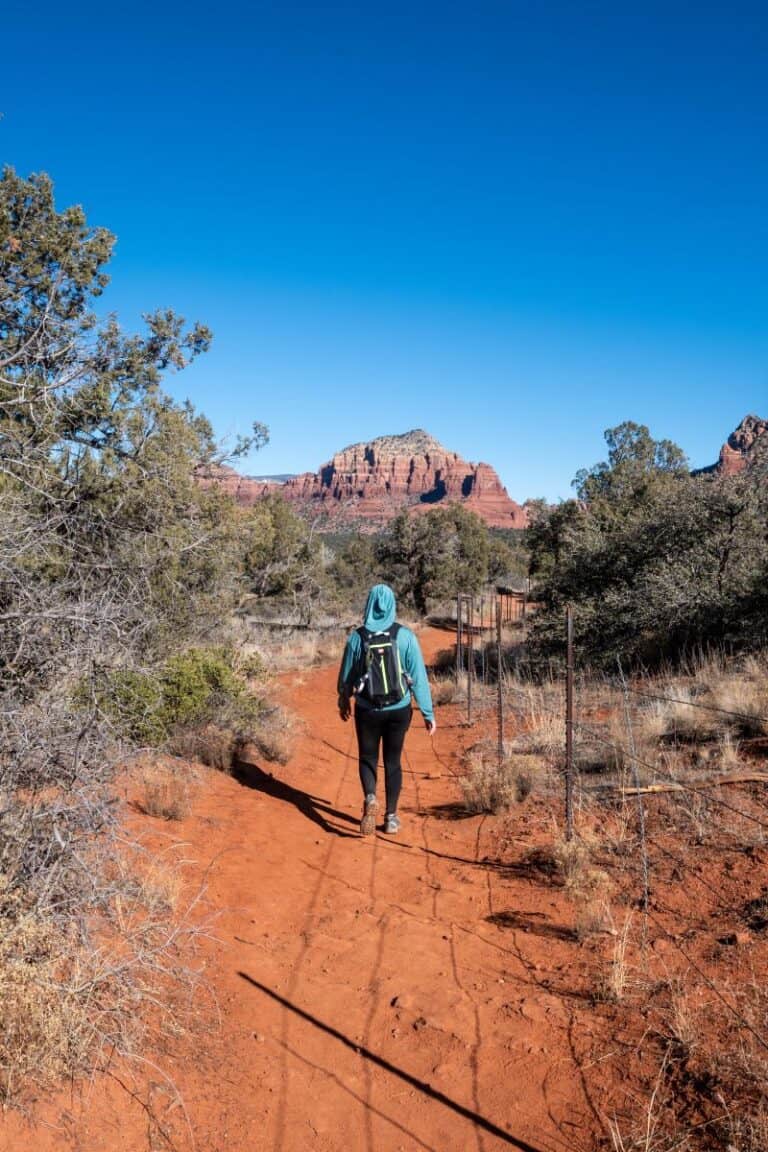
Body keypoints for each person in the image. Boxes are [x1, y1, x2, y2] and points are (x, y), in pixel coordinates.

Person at [337, 583, 435, 836]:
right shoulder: (405, 636)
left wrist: (343, 699)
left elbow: (347, 675)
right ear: (393, 605)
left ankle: (370, 797)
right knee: (393, 762)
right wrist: (427, 712)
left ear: (368, 604)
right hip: (399, 709)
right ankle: (391, 817)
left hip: (368, 709)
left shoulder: (357, 637)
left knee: (368, 758)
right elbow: (418, 677)